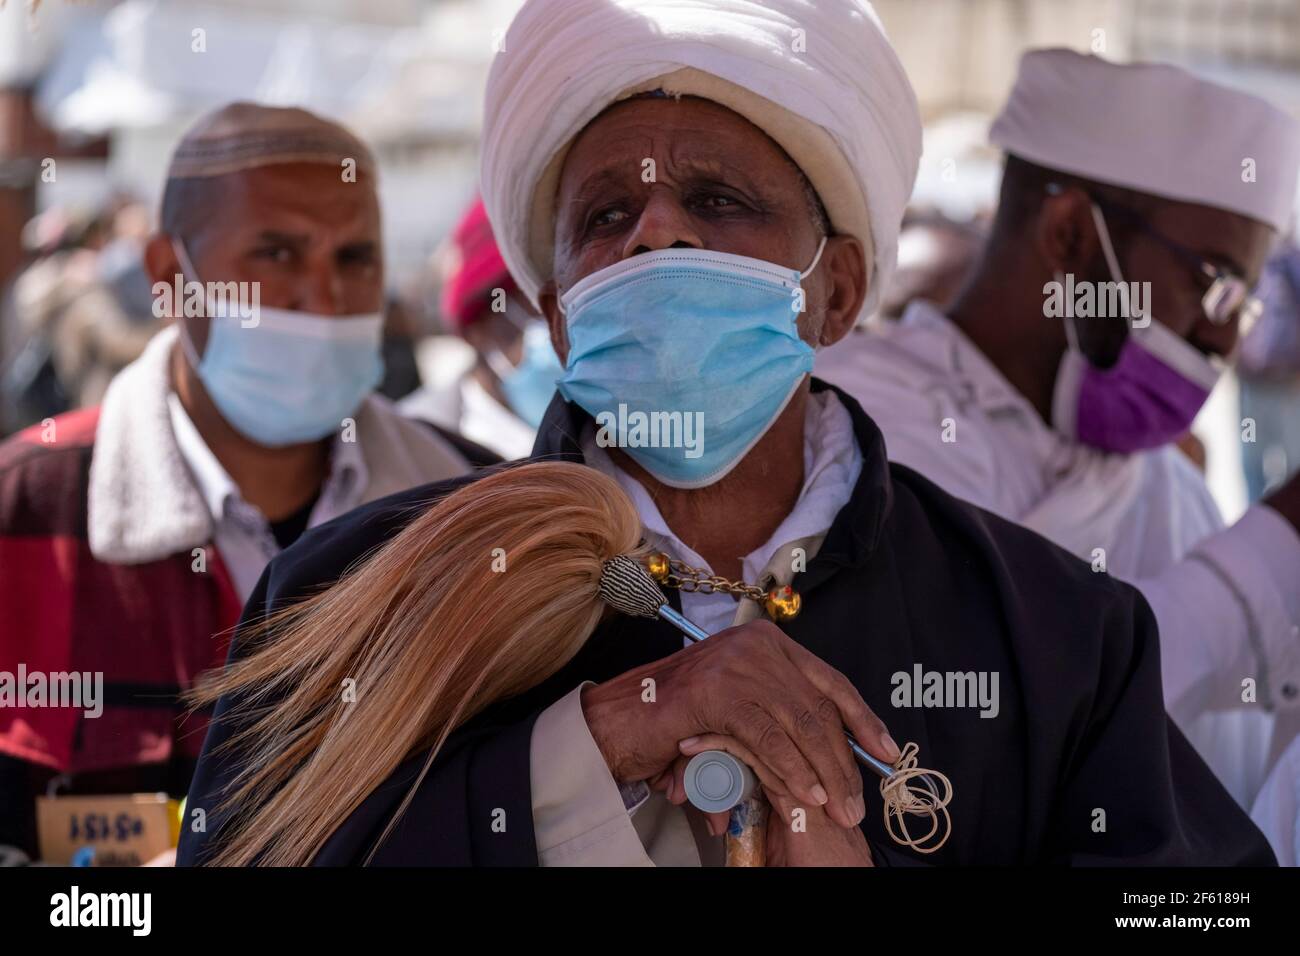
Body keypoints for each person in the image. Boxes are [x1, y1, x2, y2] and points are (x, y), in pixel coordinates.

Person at [179, 0, 1271, 867]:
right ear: (558, 310)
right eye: (607, 216)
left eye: (717, 198)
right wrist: (591, 746)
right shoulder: (354, 592)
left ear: (834, 293)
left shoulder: (1055, 633)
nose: (657, 226)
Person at [818, 49, 1300, 808]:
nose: (1225, 343)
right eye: (1212, 285)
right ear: (1072, 233)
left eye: (1242, 306)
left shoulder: (1172, 489)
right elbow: (993, 717)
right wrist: (1277, 544)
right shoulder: (857, 428)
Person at [0, 103, 475, 858]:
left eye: (354, 258)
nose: (322, 298)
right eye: (277, 253)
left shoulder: (474, 510)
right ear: (168, 276)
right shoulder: (23, 512)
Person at [401, 196, 562, 459]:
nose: (566, 335)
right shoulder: (409, 457)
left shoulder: (621, 440)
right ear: (479, 326)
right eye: (544, 309)